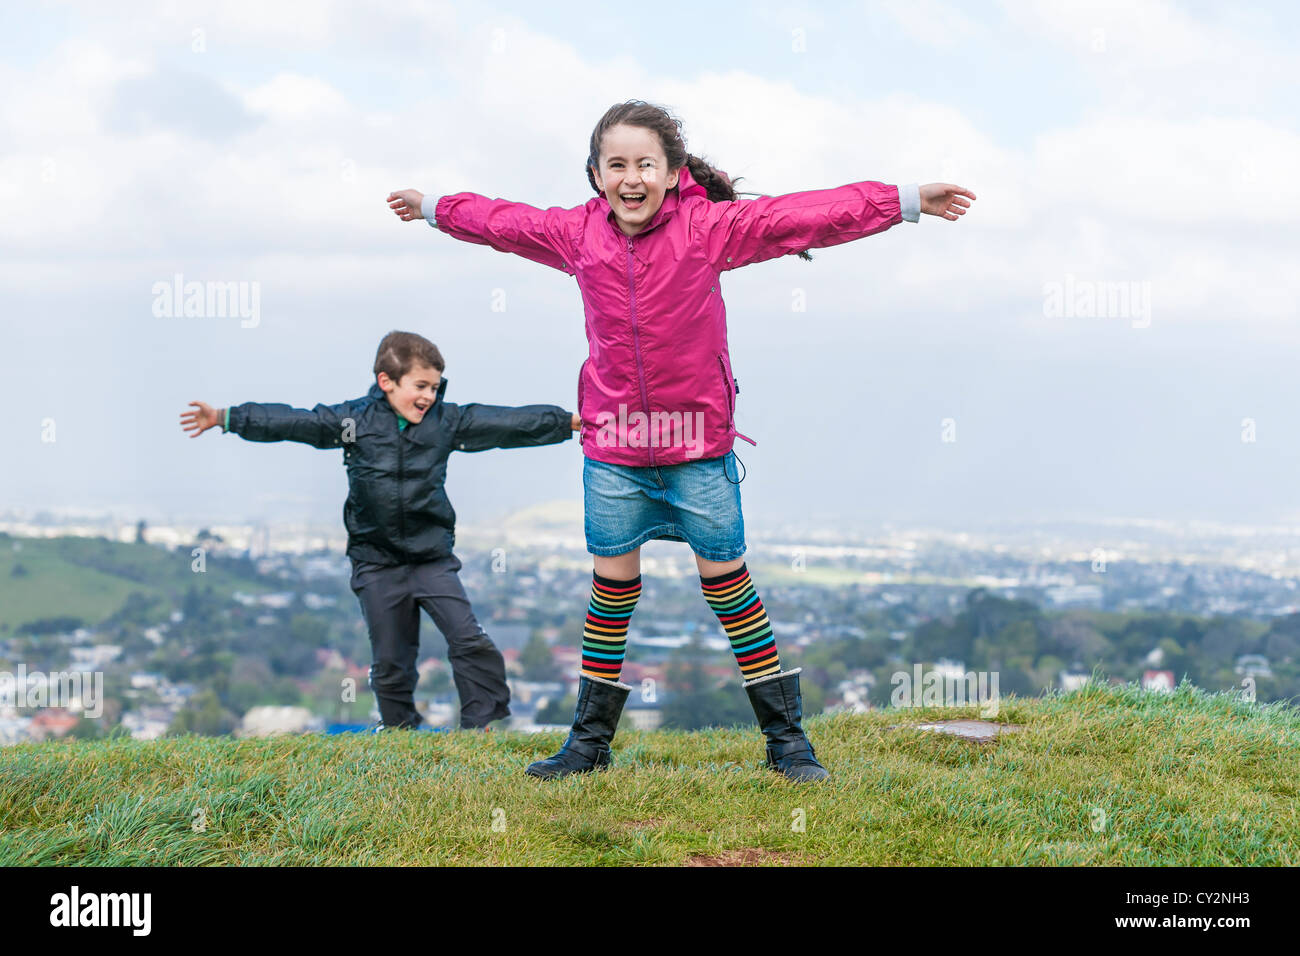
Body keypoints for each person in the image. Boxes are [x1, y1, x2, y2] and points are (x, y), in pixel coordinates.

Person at [387, 100, 975, 779]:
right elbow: (501, 221)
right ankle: (588, 745)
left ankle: (787, 743)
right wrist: (433, 206)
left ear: (670, 174)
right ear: (595, 174)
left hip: (697, 450)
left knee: (730, 590)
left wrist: (902, 199)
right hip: (615, 452)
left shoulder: (707, 229)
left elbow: (802, 216)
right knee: (611, 593)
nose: (630, 178)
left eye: (645, 164)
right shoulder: (577, 236)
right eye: (617, 165)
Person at [179, 330, 580, 730]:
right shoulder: (352, 422)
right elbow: (295, 421)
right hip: (376, 563)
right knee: (391, 661)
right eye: (420, 386)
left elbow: (508, 423)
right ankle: (400, 731)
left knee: (469, 640)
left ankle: (481, 727)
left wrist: (568, 422)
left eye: (435, 387)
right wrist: (226, 418)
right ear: (387, 381)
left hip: (431, 560)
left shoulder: (446, 422)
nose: (428, 396)